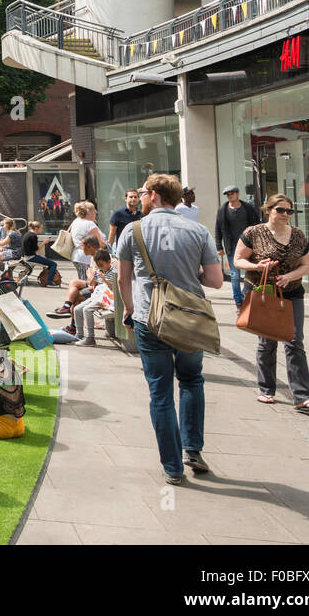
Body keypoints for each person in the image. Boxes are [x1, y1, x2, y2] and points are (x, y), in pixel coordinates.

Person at [115, 173, 222, 485]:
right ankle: (193, 449)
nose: (142, 197)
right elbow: (215, 281)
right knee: (191, 381)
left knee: (160, 392)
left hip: (150, 319)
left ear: (154, 195)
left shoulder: (132, 231)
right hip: (189, 319)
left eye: (145, 193)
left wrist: (131, 310)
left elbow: (123, 279)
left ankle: (173, 468)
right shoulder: (198, 230)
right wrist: (191, 272)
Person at [234, 193, 309, 416]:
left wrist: (289, 277)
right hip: (264, 291)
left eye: (289, 211)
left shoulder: (299, 236)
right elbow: (238, 260)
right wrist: (257, 267)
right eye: (280, 210)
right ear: (269, 210)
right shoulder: (253, 233)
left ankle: (303, 397)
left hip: (292, 292)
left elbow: (305, 265)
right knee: (267, 340)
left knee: (294, 341)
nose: (285, 215)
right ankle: (266, 389)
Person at [214, 184, 261, 312]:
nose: (230, 196)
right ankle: (239, 302)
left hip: (248, 246)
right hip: (232, 247)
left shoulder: (248, 208)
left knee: (250, 273)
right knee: (235, 275)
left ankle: (249, 298)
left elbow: (258, 225)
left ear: (237, 194)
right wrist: (219, 246)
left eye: (232, 193)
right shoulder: (223, 210)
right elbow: (218, 229)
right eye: (227, 194)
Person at [70, 248, 115, 346]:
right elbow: (91, 284)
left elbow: (114, 288)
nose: (100, 267)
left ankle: (90, 338)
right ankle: (79, 334)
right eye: (98, 265)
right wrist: (94, 277)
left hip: (107, 299)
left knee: (86, 310)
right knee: (77, 309)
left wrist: (104, 279)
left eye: (102, 265)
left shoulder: (113, 272)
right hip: (98, 296)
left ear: (109, 261)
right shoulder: (100, 271)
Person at [51, 234, 102, 318]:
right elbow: (90, 272)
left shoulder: (101, 256)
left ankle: (73, 326)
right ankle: (66, 307)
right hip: (93, 283)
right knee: (74, 282)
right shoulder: (94, 256)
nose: (82, 249)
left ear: (89, 246)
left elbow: (98, 274)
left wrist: (91, 276)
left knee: (76, 297)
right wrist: (90, 274)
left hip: (100, 287)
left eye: (83, 246)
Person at [67, 202, 106, 280]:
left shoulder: (76, 221)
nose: (96, 213)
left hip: (78, 256)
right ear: (90, 212)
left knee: (83, 281)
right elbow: (99, 243)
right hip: (87, 258)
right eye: (95, 211)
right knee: (89, 283)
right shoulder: (89, 224)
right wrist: (107, 245)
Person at [24, 220, 58, 287]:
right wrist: (44, 243)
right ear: (36, 228)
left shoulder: (27, 234)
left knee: (47, 262)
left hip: (27, 256)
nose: (42, 230)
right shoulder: (33, 236)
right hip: (31, 257)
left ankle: (46, 277)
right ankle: (49, 281)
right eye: (41, 228)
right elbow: (36, 250)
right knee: (54, 264)